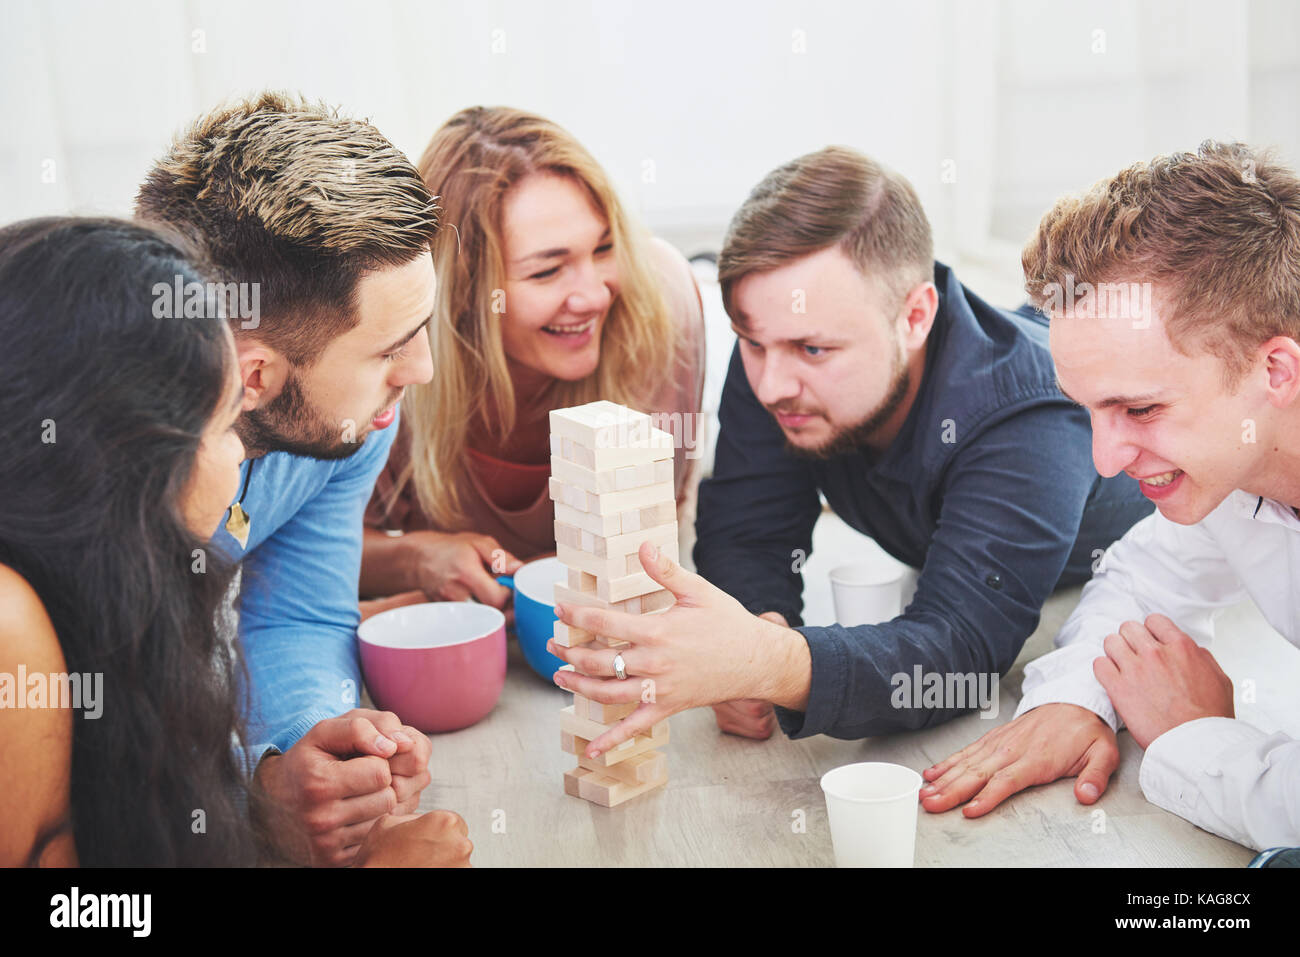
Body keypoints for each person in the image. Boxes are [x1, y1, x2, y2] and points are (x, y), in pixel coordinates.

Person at [545, 145, 1152, 753]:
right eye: (752, 343)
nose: (771, 385)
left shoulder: (1034, 417)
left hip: (1111, 560)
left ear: (914, 317)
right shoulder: (777, 351)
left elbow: (959, 654)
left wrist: (768, 662)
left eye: (814, 350)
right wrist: (754, 624)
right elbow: (750, 530)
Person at [0, 216, 470, 867]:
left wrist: (263, 795)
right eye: (226, 426)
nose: (239, 474)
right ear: (131, 455)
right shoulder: (10, 629)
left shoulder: (113, 591)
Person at [922, 141, 1300, 852]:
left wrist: (1192, 735)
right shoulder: (1231, 465)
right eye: (1089, 410)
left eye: (1142, 409)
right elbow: (1141, 579)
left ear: (1275, 370)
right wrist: (1074, 698)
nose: (1104, 457)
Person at [134, 92, 455, 866]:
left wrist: (299, 751)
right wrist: (243, 804)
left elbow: (296, 619)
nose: (423, 370)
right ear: (255, 375)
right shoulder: (72, 501)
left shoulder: (346, 425)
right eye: (390, 350)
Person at [360, 106, 705, 612]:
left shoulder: (659, 303)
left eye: (604, 248)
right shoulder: (388, 358)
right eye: (547, 272)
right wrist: (417, 558)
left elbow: (644, 544)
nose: (594, 296)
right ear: (464, 290)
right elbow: (310, 556)